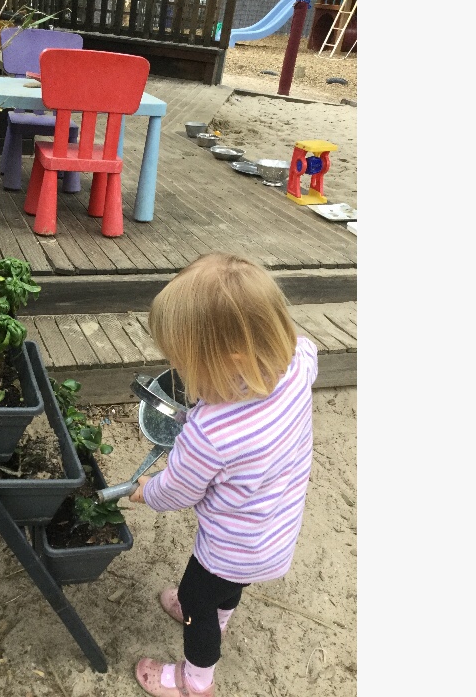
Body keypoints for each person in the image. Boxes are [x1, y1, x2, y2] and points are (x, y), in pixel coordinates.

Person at [129, 252, 319, 697]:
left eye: (185, 361)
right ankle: (221, 615)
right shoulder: (299, 363)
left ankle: (194, 681)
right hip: (274, 529)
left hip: (228, 547)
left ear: (231, 358)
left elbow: (176, 489)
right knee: (227, 588)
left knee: (196, 598)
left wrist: (146, 492)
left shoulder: (210, 432)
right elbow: (305, 346)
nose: (179, 370)